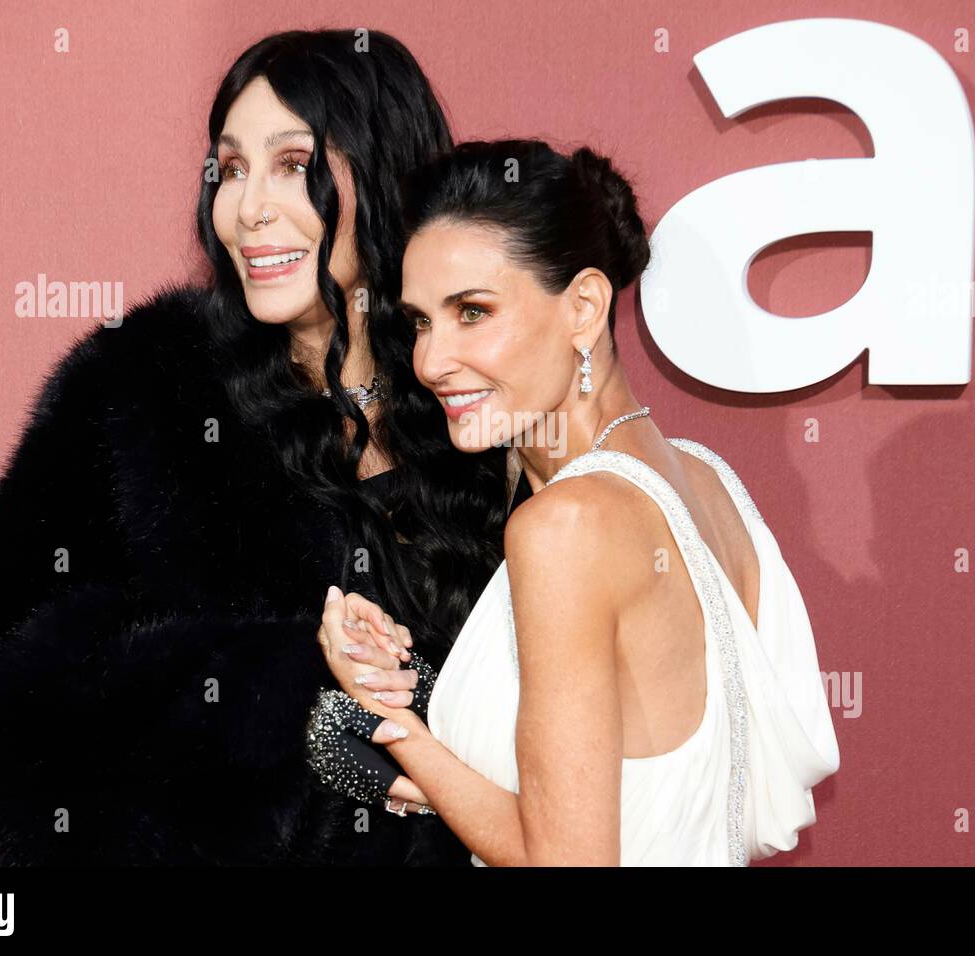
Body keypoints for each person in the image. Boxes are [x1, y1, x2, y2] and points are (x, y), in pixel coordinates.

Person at [0, 30, 517, 865]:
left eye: (292, 164)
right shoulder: (148, 387)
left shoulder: (477, 398)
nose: (248, 209)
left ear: (385, 173)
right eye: (231, 169)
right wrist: (292, 703)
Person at [309, 139, 841, 865]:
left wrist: (386, 723)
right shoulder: (709, 480)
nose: (431, 362)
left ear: (585, 306)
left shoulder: (565, 528)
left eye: (473, 312)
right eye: (423, 322)